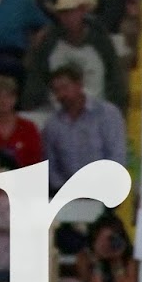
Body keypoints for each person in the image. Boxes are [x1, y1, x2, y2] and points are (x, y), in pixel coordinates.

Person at [22, 0, 126, 110]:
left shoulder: (100, 40)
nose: (68, 17)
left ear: (82, 11)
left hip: (97, 112)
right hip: (56, 113)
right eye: (63, 13)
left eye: (72, 11)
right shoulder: (49, 42)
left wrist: (115, 109)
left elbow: (114, 76)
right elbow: (37, 77)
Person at [42, 63, 127, 192]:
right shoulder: (53, 124)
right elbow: (51, 166)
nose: (61, 94)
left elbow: (117, 155)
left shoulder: (107, 114)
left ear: (79, 85)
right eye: (56, 90)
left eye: (65, 87)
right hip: (66, 196)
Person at [0, 75, 43, 168]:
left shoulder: (28, 128)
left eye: (8, 96)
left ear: (15, 99)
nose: (3, 101)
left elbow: (36, 162)